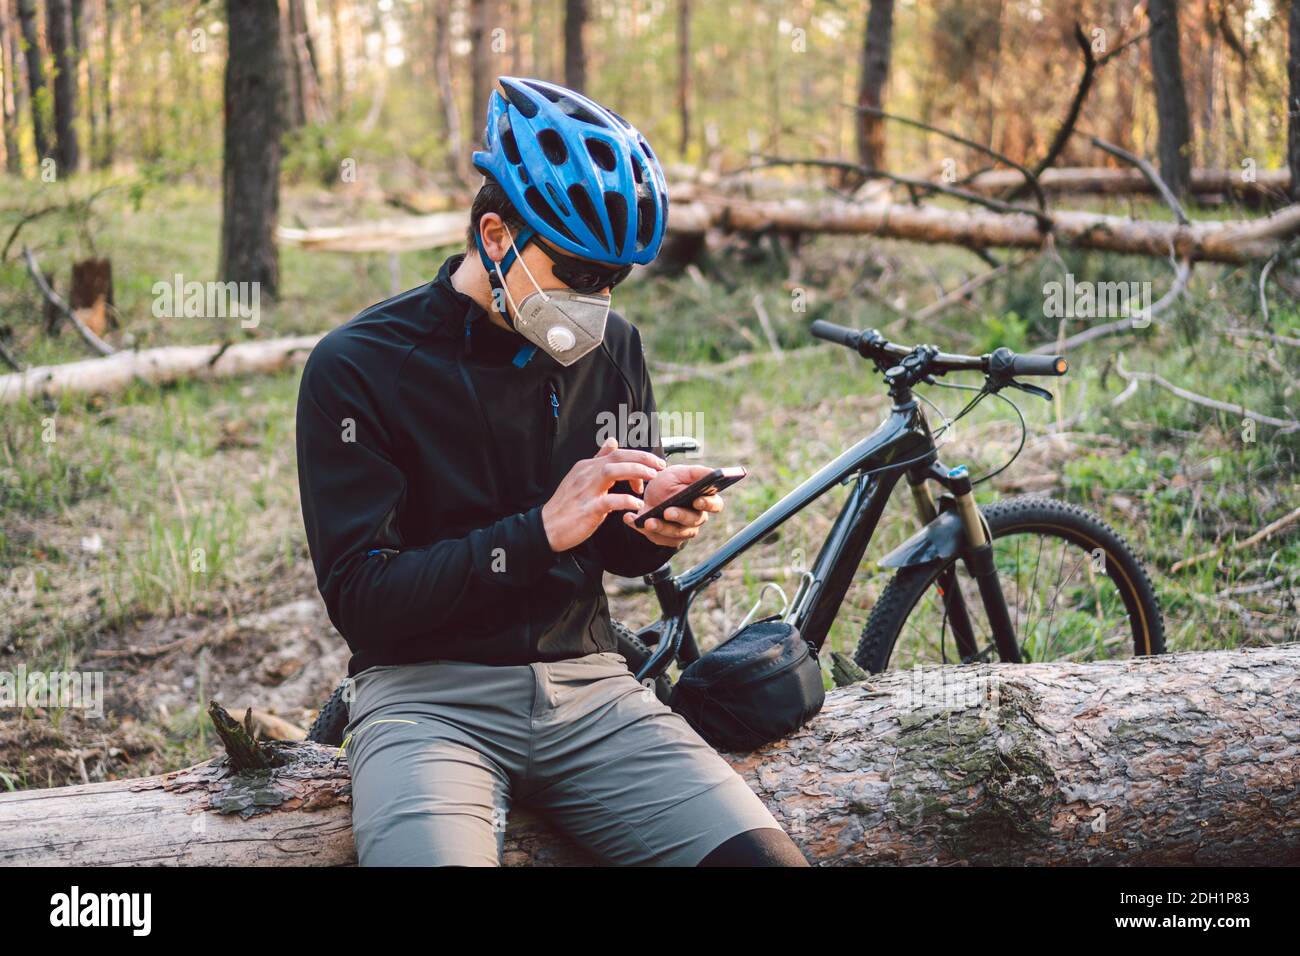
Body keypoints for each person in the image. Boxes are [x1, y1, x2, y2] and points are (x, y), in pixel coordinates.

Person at [295, 76, 809, 867]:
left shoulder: (616, 349)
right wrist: (538, 531)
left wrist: (655, 526)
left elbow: (619, 553)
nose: (594, 298)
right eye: (575, 270)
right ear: (495, 234)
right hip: (428, 706)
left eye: (613, 278)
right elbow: (364, 601)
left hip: (594, 688)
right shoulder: (358, 367)